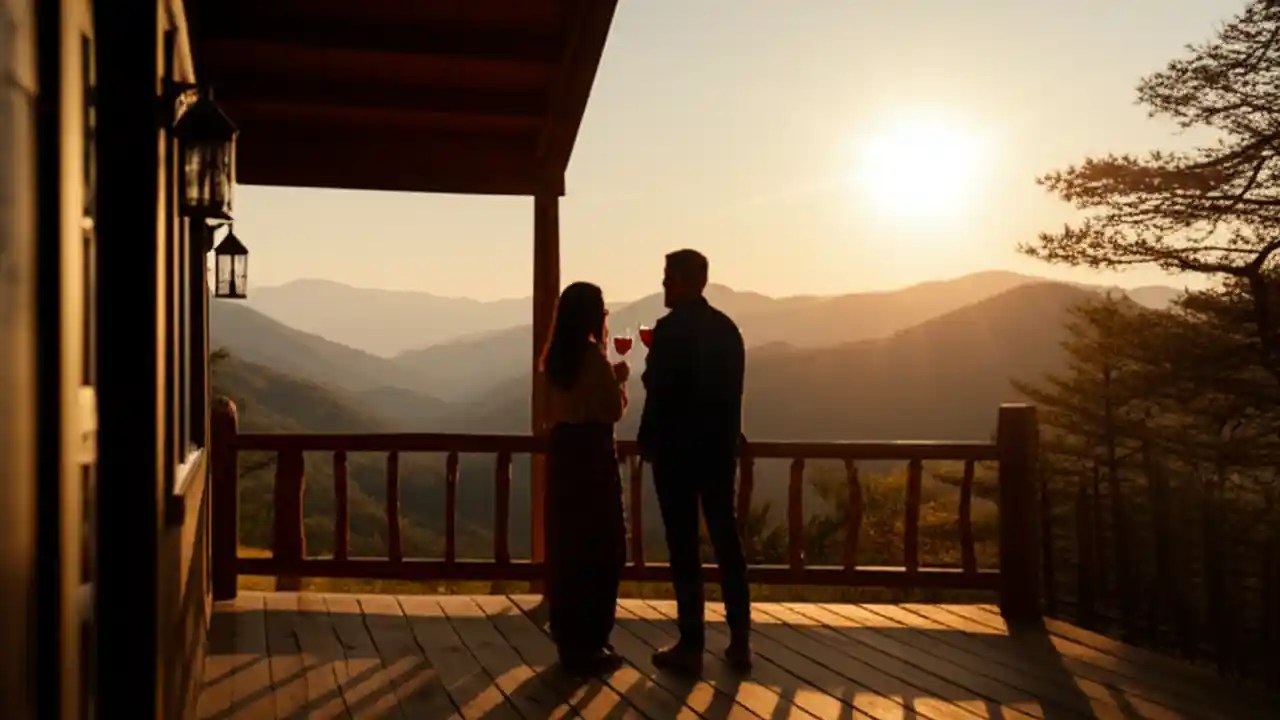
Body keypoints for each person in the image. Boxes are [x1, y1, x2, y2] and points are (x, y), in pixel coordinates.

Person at [638, 249, 752, 675]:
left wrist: (649, 437)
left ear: (684, 281)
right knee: (727, 543)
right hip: (719, 450)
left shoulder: (670, 331)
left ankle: (691, 643)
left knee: (684, 547)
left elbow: (657, 386)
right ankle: (740, 642)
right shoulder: (727, 329)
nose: (664, 285)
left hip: (677, 451)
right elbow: (734, 392)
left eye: (668, 278)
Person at [540, 281, 630, 676]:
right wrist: (620, 378)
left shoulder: (554, 360)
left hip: (563, 457)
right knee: (601, 547)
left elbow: (550, 413)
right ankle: (592, 642)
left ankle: (569, 639)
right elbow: (611, 410)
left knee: (567, 545)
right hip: (592, 458)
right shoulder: (593, 359)